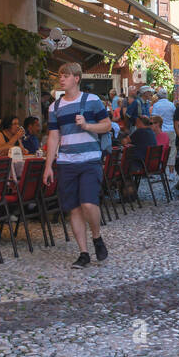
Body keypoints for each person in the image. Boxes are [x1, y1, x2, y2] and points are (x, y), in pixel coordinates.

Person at [43, 62, 113, 268]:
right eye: (60, 75)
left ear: (76, 78)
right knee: (74, 209)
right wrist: (48, 166)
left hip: (90, 159)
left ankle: (97, 237)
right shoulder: (54, 107)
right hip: (66, 163)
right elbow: (53, 137)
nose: (61, 79)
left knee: (89, 203)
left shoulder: (92, 101)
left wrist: (87, 125)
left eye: (66, 75)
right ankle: (83, 253)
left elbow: (107, 125)